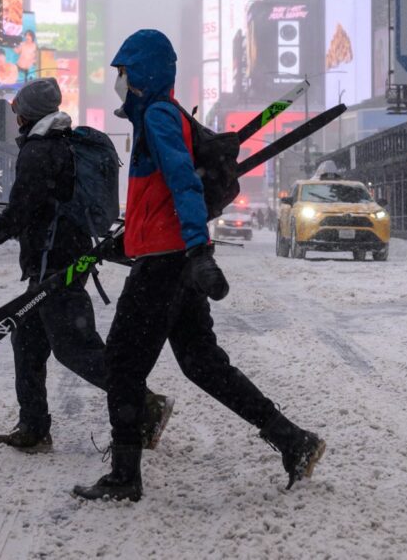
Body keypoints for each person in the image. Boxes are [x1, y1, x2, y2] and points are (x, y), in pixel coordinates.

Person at [74, 30, 325, 503]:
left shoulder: (158, 116)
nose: (119, 81)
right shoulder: (158, 116)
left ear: (142, 72)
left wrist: (197, 249)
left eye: (123, 72)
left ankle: (125, 476)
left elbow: (184, 183)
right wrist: (128, 240)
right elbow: (158, 198)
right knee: (201, 363)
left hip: (167, 264)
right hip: (171, 259)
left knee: (122, 364)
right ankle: (293, 440)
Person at [0, 78, 173, 453]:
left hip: (56, 267)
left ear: (27, 114)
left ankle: (146, 405)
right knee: (27, 342)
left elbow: (16, 216)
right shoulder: (64, 144)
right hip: (61, 260)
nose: (16, 118)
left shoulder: (39, 151)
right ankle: (34, 428)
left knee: (76, 349)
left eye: (18, 110)